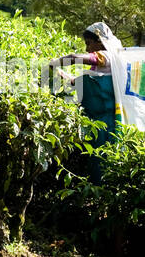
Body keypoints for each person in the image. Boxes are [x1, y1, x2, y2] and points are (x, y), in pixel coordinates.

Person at [46, 22, 125, 182]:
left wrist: (54, 63)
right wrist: (61, 74)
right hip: (94, 121)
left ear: (100, 41)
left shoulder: (107, 57)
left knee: (103, 163)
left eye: (89, 43)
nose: (88, 49)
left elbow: (75, 59)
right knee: (93, 162)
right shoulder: (100, 68)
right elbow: (77, 82)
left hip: (106, 122)